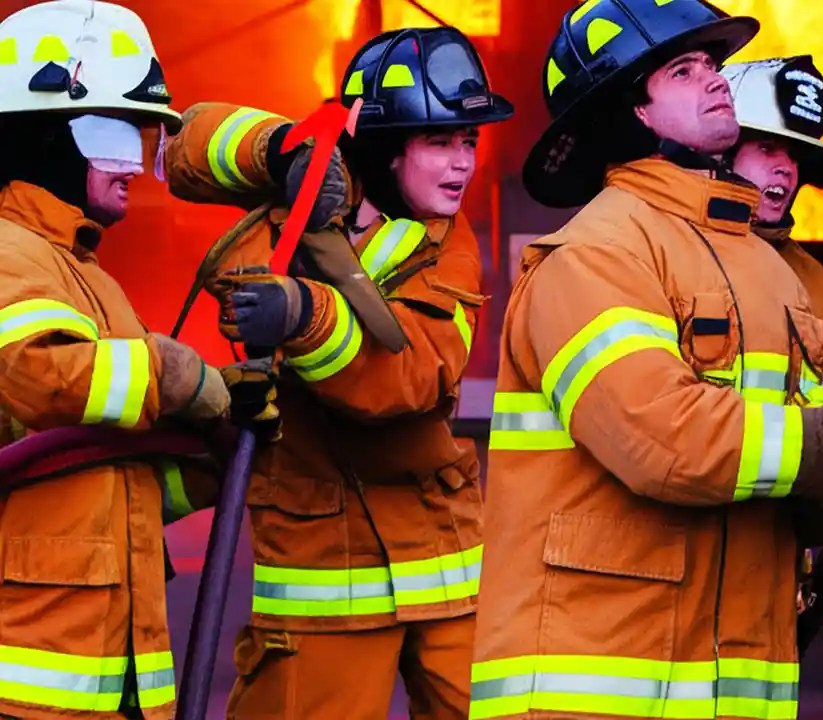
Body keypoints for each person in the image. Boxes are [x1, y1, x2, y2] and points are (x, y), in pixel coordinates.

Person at [471, 1, 823, 718]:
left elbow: (810, 517)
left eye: (713, 63)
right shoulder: (594, 257)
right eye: (684, 69)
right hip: (596, 694)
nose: (714, 79)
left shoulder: (775, 277)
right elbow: (665, 442)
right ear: (632, 110)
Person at [162, 26, 513, 720]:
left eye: (468, 142)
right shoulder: (310, 181)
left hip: (447, 574)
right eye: (440, 141)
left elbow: (408, 378)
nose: (462, 163)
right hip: (321, 573)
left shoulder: (449, 246)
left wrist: (304, 315)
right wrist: (281, 150)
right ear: (383, 147)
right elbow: (184, 146)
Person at [0, 2, 241, 717]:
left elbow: (114, 475)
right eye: (114, 133)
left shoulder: (85, 274)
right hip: (34, 673)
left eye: (140, 138)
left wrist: (217, 443)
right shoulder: (11, 252)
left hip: (117, 666)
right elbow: (39, 376)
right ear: (43, 135)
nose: (134, 164)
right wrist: (176, 377)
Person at [721, 54, 823, 654]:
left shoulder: (818, 285)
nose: (785, 169)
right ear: (720, 151)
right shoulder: (664, 257)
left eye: (796, 156)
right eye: (766, 148)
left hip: (771, 597)